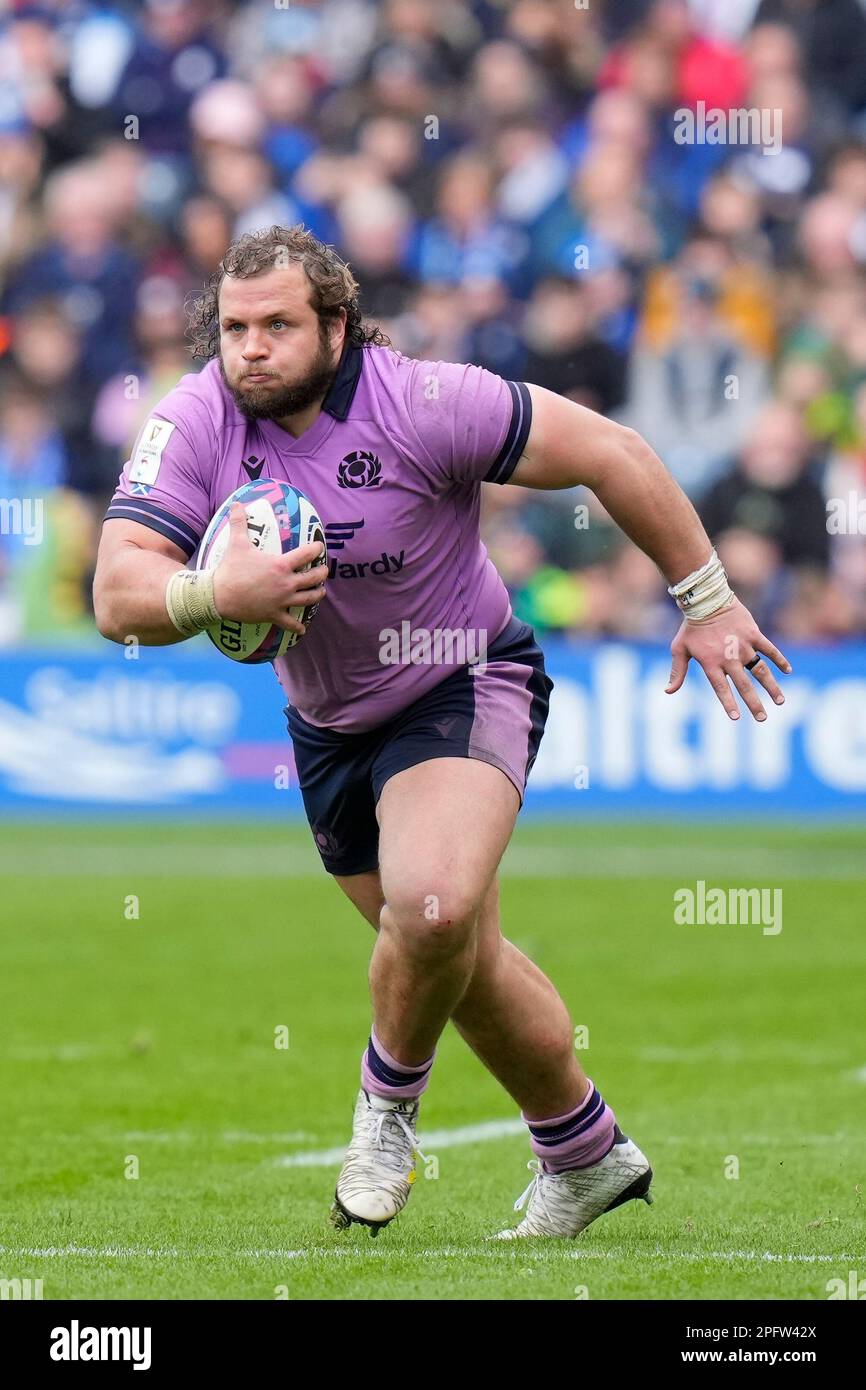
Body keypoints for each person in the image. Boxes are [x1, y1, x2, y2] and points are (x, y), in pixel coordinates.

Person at [92, 224, 791, 1240]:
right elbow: (116, 593)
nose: (251, 349)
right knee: (460, 958)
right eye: (235, 329)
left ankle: (383, 1119)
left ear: (336, 327)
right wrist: (212, 592)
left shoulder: (423, 401)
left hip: (461, 678)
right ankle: (584, 1152)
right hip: (328, 726)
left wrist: (708, 598)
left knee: (429, 909)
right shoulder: (195, 416)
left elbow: (612, 451)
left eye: (278, 325)